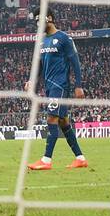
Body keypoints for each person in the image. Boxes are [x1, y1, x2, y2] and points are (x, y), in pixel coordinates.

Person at [27, 12, 88, 170]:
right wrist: (32, 81)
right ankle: (80, 158)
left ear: (49, 18)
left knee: (52, 119)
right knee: (63, 122)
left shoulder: (64, 38)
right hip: (49, 87)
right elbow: (39, 66)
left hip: (60, 86)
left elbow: (75, 62)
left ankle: (46, 160)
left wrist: (79, 85)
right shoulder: (42, 41)